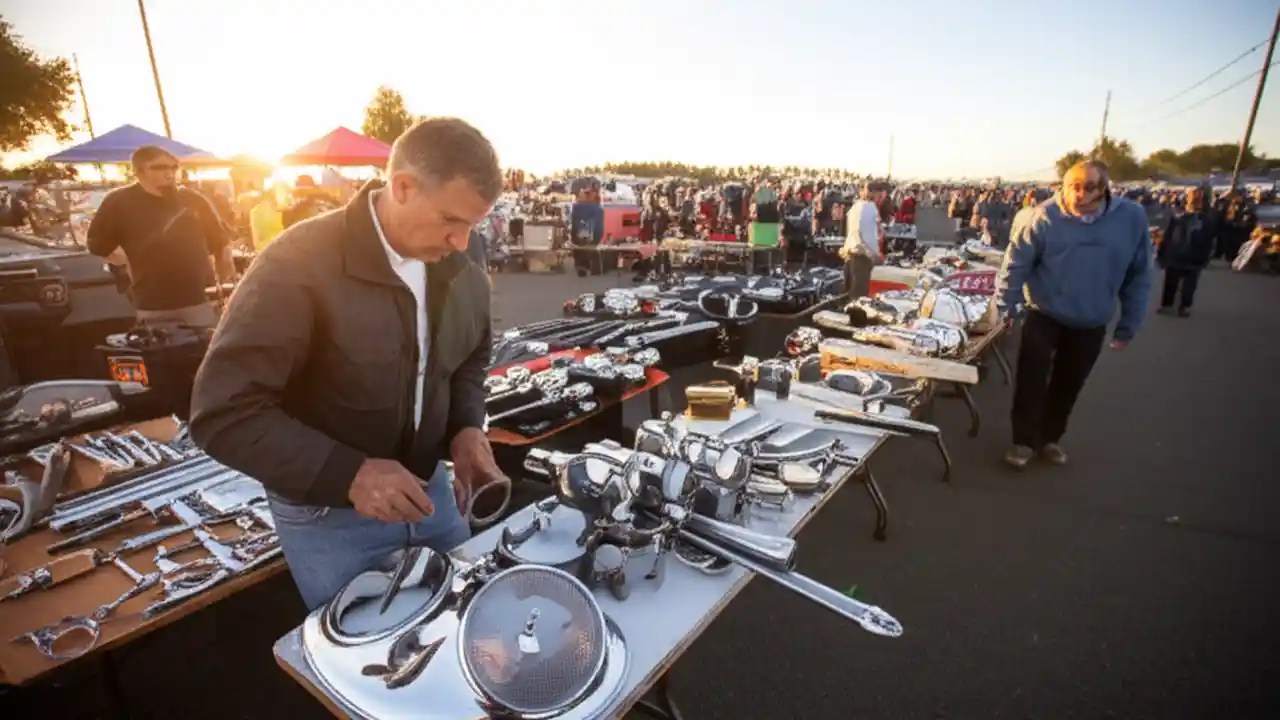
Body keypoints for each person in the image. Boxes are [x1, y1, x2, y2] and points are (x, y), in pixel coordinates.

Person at [189, 118, 508, 609]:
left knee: (463, 623)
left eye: (473, 225)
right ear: (402, 186)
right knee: (368, 666)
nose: (462, 242)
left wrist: (466, 428)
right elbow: (224, 412)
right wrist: (349, 475)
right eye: (450, 220)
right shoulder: (297, 264)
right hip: (329, 515)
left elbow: (469, 361)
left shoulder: (460, 262)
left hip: (433, 492)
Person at [996, 160, 1152, 469]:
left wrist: (1128, 325)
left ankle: (1050, 438)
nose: (1079, 194)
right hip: (1044, 310)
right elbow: (1015, 264)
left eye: (1088, 187)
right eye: (1073, 186)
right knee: (1032, 378)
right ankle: (1023, 442)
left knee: (1069, 382)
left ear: (1104, 189)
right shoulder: (1043, 217)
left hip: (1092, 317)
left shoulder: (1131, 219)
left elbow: (1139, 274)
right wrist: (1006, 308)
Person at [87, 146, 235, 328]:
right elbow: (98, 245)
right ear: (139, 171)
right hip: (153, 304)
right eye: (159, 168)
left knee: (203, 353)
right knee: (163, 354)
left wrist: (224, 288)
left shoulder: (192, 199)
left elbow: (220, 243)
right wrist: (127, 262)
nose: (169, 173)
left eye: (173, 168)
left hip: (200, 301)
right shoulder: (119, 202)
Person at [1156, 186, 1216, 318]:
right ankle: (1183, 306)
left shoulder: (1179, 216)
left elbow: (1168, 237)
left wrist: (1162, 254)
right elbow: (1209, 240)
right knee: (1188, 282)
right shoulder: (1206, 219)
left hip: (1178, 255)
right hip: (1191, 256)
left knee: (1174, 281)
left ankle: (1170, 305)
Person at [839, 181, 886, 299]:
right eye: (879, 196)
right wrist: (874, 254)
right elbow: (866, 236)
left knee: (849, 292)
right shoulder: (870, 208)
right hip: (862, 256)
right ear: (873, 193)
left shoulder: (856, 206)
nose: (880, 200)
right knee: (860, 295)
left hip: (850, 254)